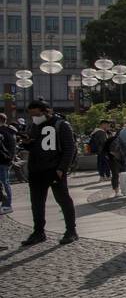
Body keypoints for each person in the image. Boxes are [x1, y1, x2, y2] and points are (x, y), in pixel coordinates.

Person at [20, 98, 78, 245]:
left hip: (54, 169)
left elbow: (69, 148)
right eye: (31, 114)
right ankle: (38, 232)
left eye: (36, 114)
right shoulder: (34, 125)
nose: (34, 117)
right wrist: (27, 143)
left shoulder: (61, 125)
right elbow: (34, 146)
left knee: (63, 200)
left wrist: (62, 169)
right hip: (36, 169)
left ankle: (71, 231)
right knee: (37, 202)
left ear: (46, 111)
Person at [0, 113, 16, 214]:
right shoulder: (10, 131)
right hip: (6, 160)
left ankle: (7, 205)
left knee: (4, 183)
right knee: (4, 182)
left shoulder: (2, 132)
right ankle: (6, 204)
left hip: (2, 160)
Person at [102, 122, 123, 199]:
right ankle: (122, 189)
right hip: (120, 159)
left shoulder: (109, 139)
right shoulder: (121, 140)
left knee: (115, 175)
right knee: (122, 174)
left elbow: (104, 150)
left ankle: (116, 191)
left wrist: (108, 156)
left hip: (112, 159)